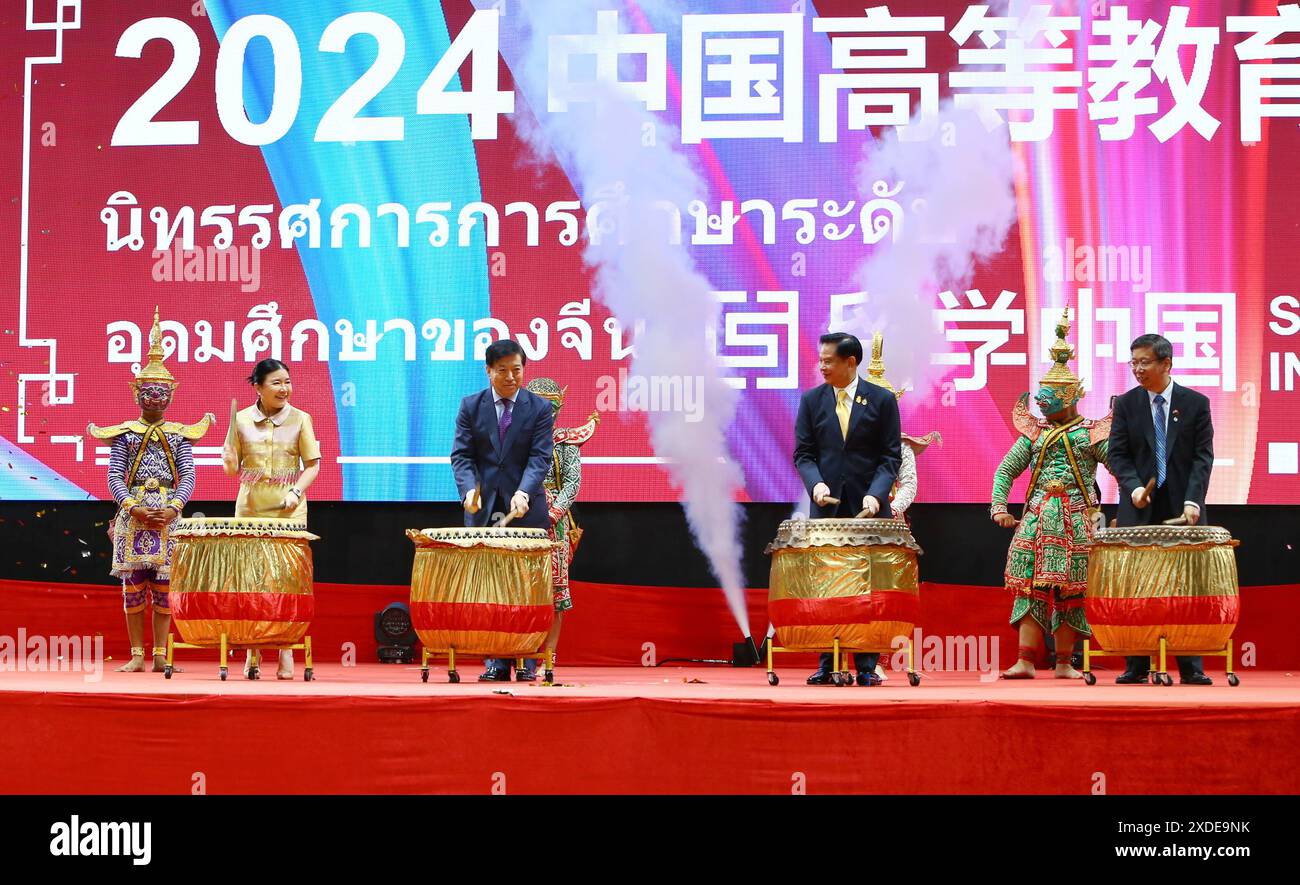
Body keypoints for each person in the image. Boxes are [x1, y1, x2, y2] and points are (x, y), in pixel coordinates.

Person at [88, 307, 213, 673]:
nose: (155, 397)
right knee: (133, 589)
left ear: (171, 395)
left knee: (163, 590)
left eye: (161, 391)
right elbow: (114, 475)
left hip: (168, 517)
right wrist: (131, 506)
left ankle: (160, 653)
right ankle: (137, 655)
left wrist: (174, 508)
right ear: (137, 393)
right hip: (134, 515)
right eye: (149, 391)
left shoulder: (179, 434)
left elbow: (188, 476)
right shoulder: (125, 434)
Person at [991, 309, 1111, 679]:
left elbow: (1119, 468)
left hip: (1078, 518)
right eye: (1043, 394)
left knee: (1072, 592)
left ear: (1073, 395)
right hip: (1037, 519)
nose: (1043, 401)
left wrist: (1134, 493)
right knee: (1029, 588)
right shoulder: (1036, 434)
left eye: (1052, 394)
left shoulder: (1090, 433)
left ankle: (1063, 664)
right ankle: (1025, 660)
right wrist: (999, 506)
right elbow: (1006, 470)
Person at [794, 332, 902, 686]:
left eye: (829, 361)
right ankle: (828, 663)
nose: (822, 366)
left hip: (868, 507)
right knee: (827, 586)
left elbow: (890, 457)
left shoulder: (882, 400)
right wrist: (817, 485)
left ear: (850, 362)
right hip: (826, 508)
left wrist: (877, 494)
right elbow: (804, 454)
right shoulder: (812, 401)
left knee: (867, 588)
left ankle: (867, 667)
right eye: (821, 360)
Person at [1107, 333, 1215, 685]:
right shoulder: (1125, 404)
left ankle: (1191, 667)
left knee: (1186, 586)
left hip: (1183, 507)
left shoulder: (1196, 403)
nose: (1137, 369)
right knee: (1136, 587)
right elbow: (1118, 454)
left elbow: (1202, 457)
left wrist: (1193, 500)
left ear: (1166, 364)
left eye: (1145, 362)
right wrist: (1135, 488)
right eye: (1133, 362)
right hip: (1139, 506)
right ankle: (1136, 664)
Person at [450, 340, 555, 682]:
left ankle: (526, 658)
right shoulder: (470, 406)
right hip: (482, 511)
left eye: (517, 369)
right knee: (489, 588)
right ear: (489, 371)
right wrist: (468, 491)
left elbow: (539, 457)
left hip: (526, 510)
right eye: (503, 370)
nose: (511, 377)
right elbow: (462, 456)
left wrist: (525, 491)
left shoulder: (538, 408)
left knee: (525, 588)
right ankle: (494, 659)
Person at [221, 359, 322, 679]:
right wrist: (228, 459)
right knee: (251, 582)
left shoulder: (301, 419)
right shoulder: (239, 420)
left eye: (287, 382)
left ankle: (286, 652)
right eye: (276, 383)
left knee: (286, 582)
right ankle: (253, 651)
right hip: (249, 509)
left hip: (289, 510)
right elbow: (231, 471)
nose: (284, 389)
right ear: (258, 387)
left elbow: (313, 465)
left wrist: (295, 492)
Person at [861, 331, 939, 681]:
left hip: (891, 526)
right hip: (856, 526)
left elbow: (909, 484)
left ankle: (886, 655)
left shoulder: (902, 447)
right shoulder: (853, 444)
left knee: (889, 593)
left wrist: (893, 508)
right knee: (856, 591)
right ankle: (863, 658)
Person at [521, 377, 598, 680]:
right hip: (522, 520)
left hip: (553, 526)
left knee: (554, 593)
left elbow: (572, 484)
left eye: (551, 407)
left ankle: (547, 659)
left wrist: (551, 514)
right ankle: (519, 655)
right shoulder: (517, 440)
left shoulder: (566, 442)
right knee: (520, 591)